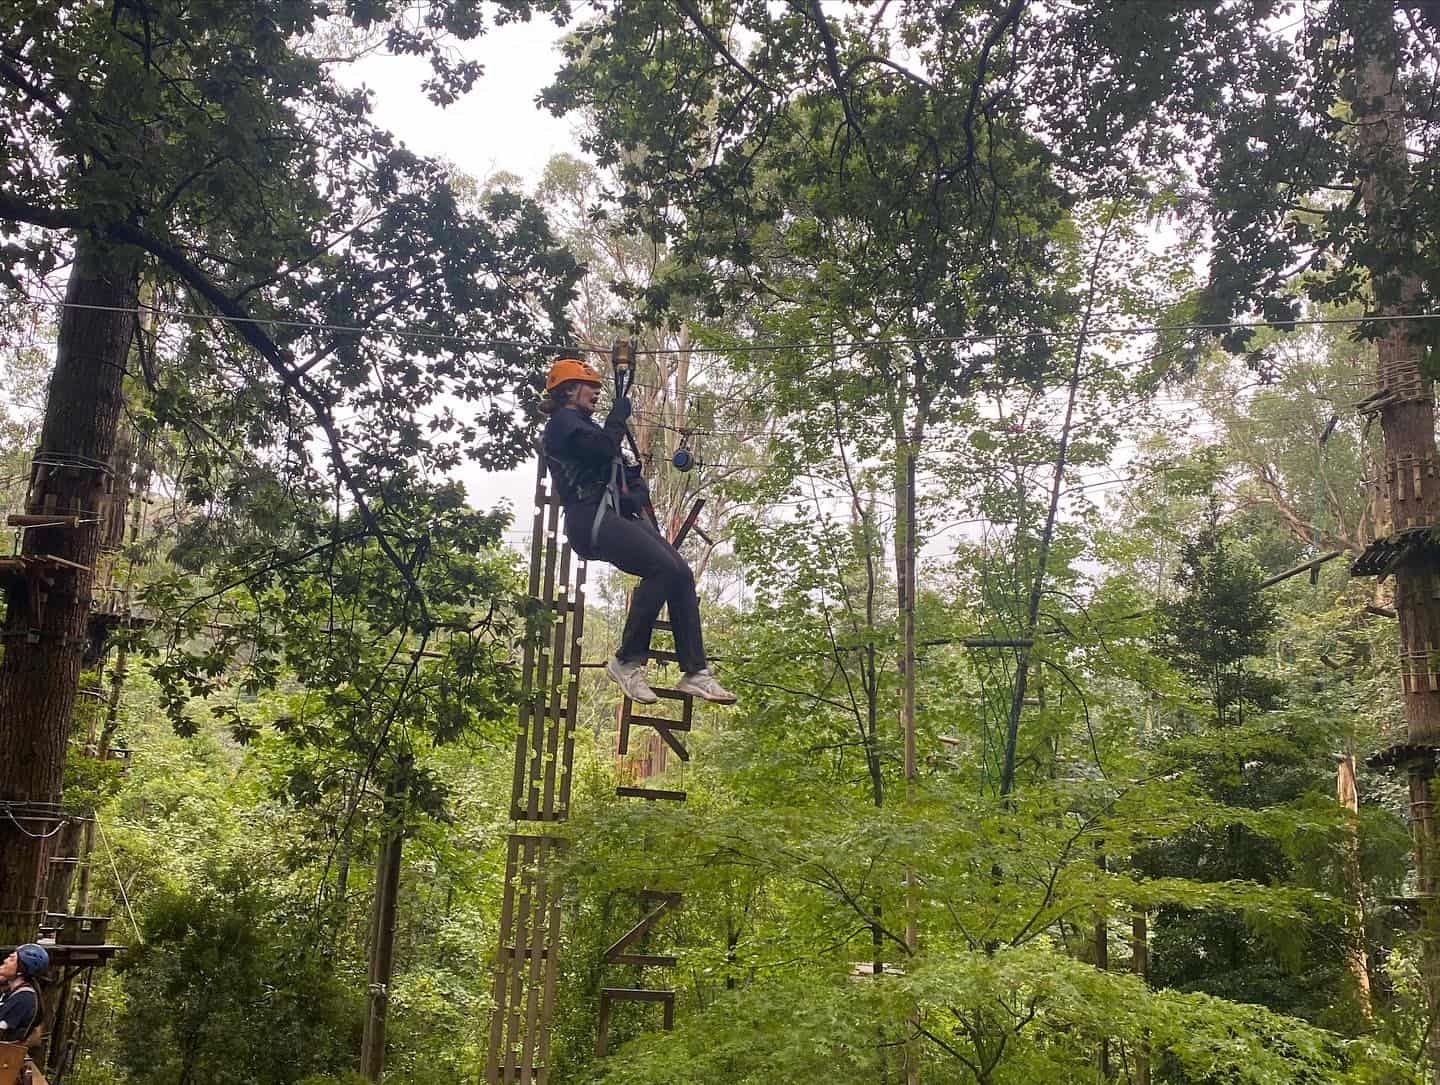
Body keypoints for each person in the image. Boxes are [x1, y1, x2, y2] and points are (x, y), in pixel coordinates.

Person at [540, 355, 736, 706]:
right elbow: (602, 449)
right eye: (590, 387)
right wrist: (617, 419)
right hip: (590, 520)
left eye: (599, 388)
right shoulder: (561, 423)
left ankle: (695, 672)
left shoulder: (579, 423)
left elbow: (607, 462)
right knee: (662, 568)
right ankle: (626, 661)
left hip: (608, 515)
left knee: (679, 573)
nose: (596, 393)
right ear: (569, 390)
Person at [0, 943, 46, 1048]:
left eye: (11, 960)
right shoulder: (12, 991)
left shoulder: (24, 998)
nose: (5, 960)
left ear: (20, 971)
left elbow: (2, 1031)